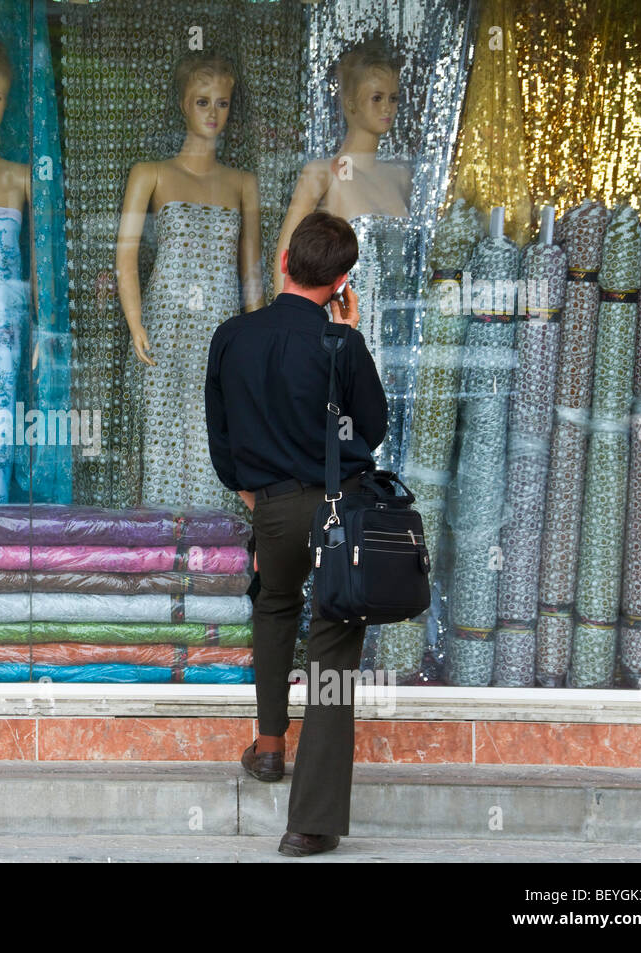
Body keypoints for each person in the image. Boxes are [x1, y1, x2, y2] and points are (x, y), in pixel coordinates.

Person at [205, 210, 388, 857]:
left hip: (274, 509)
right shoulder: (340, 342)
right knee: (333, 657)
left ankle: (269, 744)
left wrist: (249, 488)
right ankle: (308, 822)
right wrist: (350, 338)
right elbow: (374, 427)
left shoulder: (233, 336)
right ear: (342, 281)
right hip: (340, 516)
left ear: (284, 262)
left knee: (274, 606)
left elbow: (220, 433)